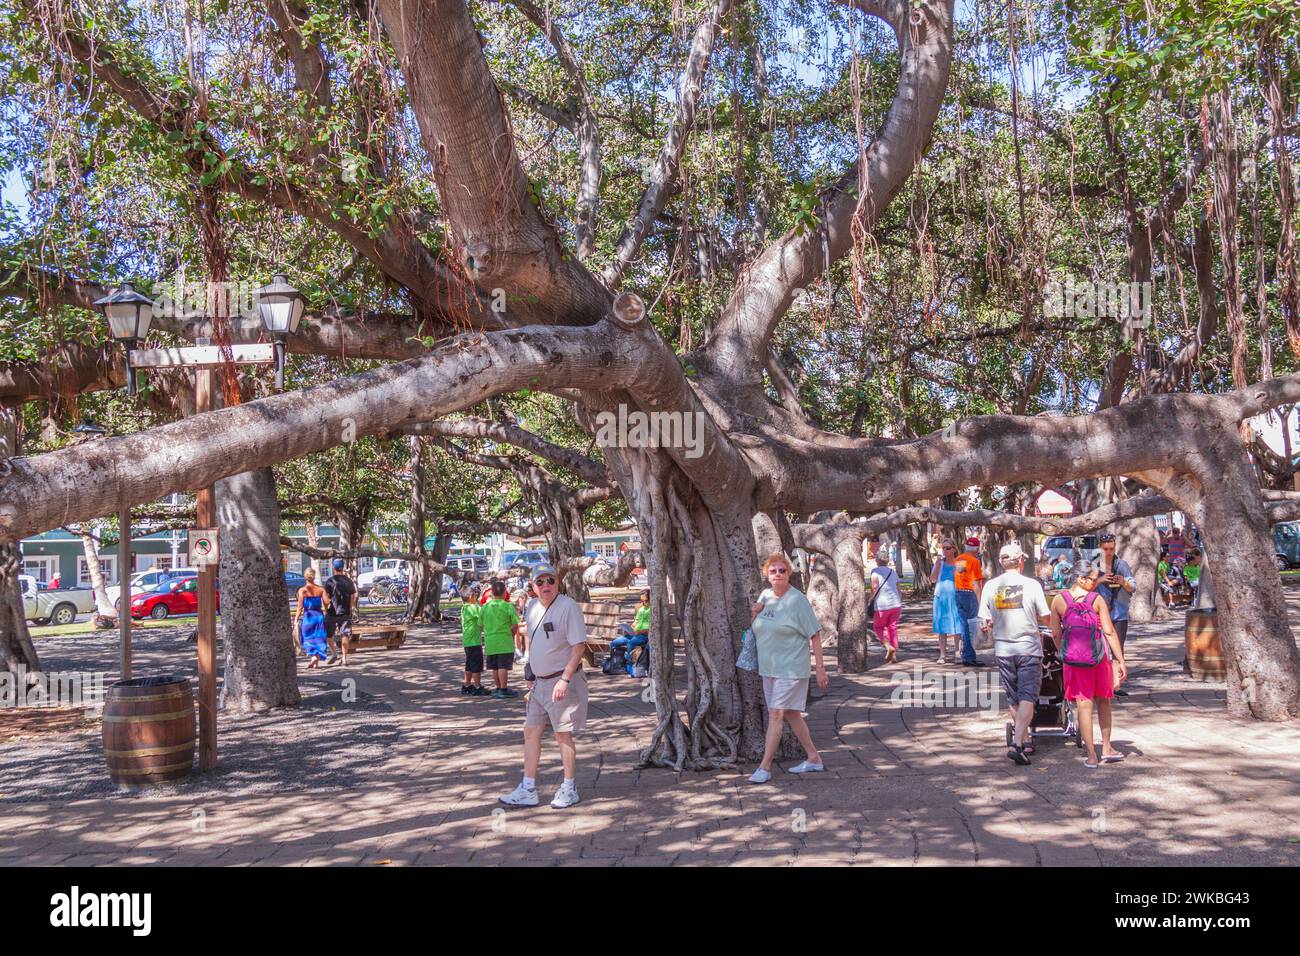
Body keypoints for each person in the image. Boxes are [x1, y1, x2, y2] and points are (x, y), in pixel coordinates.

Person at [499, 565, 591, 809]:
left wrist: (565, 679)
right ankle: (528, 788)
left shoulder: (568, 607)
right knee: (530, 732)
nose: (545, 585)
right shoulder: (531, 606)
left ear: (557, 582)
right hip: (539, 683)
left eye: (550, 580)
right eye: (540, 582)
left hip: (561, 681)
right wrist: (530, 673)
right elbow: (533, 637)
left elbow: (579, 646)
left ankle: (569, 787)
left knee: (562, 734)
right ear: (533, 586)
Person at [748, 552, 830, 784]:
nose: (777, 574)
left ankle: (764, 767)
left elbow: (814, 634)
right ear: (767, 575)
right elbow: (757, 627)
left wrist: (820, 669)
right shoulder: (765, 595)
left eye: (782, 570)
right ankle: (814, 758)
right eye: (773, 571)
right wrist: (755, 613)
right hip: (769, 667)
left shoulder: (797, 600)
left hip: (791, 667)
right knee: (792, 713)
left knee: (776, 714)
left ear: (788, 573)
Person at [977, 542, 1050, 766]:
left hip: (1003, 649)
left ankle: (1026, 740)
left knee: (1013, 696)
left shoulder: (990, 586)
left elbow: (983, 620)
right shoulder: (1032, 585)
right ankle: (1018, 742)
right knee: (1028, 695)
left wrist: (989, 625)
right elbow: (1046, 616)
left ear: (1000, 562)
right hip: (1028, 647)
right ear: (1021, 561)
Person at [1051, 560, 1128, 768]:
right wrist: (1120, 660)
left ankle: (1091, 755)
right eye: (1093, 579)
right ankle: (1107, 747)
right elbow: (1110, 632)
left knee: (1083, 705)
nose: (1096, 583)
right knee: (1103, 700)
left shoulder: (1059, 600)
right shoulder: (1097, 600)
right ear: (1080, 579)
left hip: (1073, 661)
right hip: (1098, 657)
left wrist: (1064, 652)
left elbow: (1056, 633)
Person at [1094, 531, 1137, 695]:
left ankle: (1116, 684)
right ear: (1100, 548)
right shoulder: (1095, 565)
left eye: (1111, 548)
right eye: (1105, 549)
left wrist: (1123, 582)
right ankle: (1102, 681)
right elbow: (1084, 586)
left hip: (1119, 613)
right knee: (1100, 648)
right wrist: (1100, 580)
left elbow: (1133, 587)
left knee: (1117, 647)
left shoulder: (1122, 565)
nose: (1109, 552)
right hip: (1099, 613)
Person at [482, 580, 522, 699]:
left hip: (490, 641)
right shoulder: (508, 606)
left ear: (492, 594)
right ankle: (504, 689)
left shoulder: (485, 607)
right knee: (503, 666)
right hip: (504, 640)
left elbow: (480, 623)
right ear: (505, 593)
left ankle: (498, 687)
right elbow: (515, 624)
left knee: (494, 667)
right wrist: (512, 634)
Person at [954, 536, 986, 666]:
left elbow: (962, 577)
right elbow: (976, 583)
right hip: (969, 594)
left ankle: (967, 655)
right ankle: (968, 656)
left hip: (959, 592)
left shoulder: (959, 559)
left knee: (964, 626)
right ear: (977, 548)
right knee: (972, 625)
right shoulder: (974, 561)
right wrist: (980, 601)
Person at [931, 539, 964, 663]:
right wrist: (937, 566)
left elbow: (964, 581)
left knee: (957, 626)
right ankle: (942, 654)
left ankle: (957, 653)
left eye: (948, 548)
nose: (945, 550)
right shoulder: (940, 563)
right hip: (940, 598)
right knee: (941, 627)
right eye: (943, 548)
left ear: (954, 549)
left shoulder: (959, 563)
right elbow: (933, 579)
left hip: (955, 597)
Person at [323, 558, 357, 666]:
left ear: (334, 568)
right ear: (343, 568)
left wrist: (325, 607)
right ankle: (344, 658)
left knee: (328, 635)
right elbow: (353, 596)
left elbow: (326, 599)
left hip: (332, 612)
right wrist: (350, 607)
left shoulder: (330, 581)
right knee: (345, 635)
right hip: (345, 613)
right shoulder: (348, 581)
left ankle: (334, 653)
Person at [869, 553, 902, 663]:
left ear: (877, 560)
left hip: (882, 605)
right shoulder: (893, 572)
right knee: (892, 628)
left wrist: (869, 600)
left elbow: (874, 587)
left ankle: (888, 647)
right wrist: (900, 601)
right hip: (896, 604)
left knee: (878, 627)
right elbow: (898, 588)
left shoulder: (875, 571)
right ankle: (894, 655)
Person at [293, 567, 329, 668]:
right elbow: (326, 603)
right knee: (319, 637)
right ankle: (315, 659)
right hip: (318, 616)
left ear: (305, 577)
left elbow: (300, 606)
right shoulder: (321, 589)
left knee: (307, 638)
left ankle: (314, 658)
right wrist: (326, 609)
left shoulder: (302, 590)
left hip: (308, 617)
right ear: (314, 576)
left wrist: (296, 619)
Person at [460, 583, 489, 696]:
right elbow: (484, 614)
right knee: (476, 665)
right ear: (471, 597)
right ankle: (477, 686)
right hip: (474, 642)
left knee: (469, 664)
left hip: (467, 641)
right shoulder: (473, 608)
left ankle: (467, 684)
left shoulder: (464, 608)